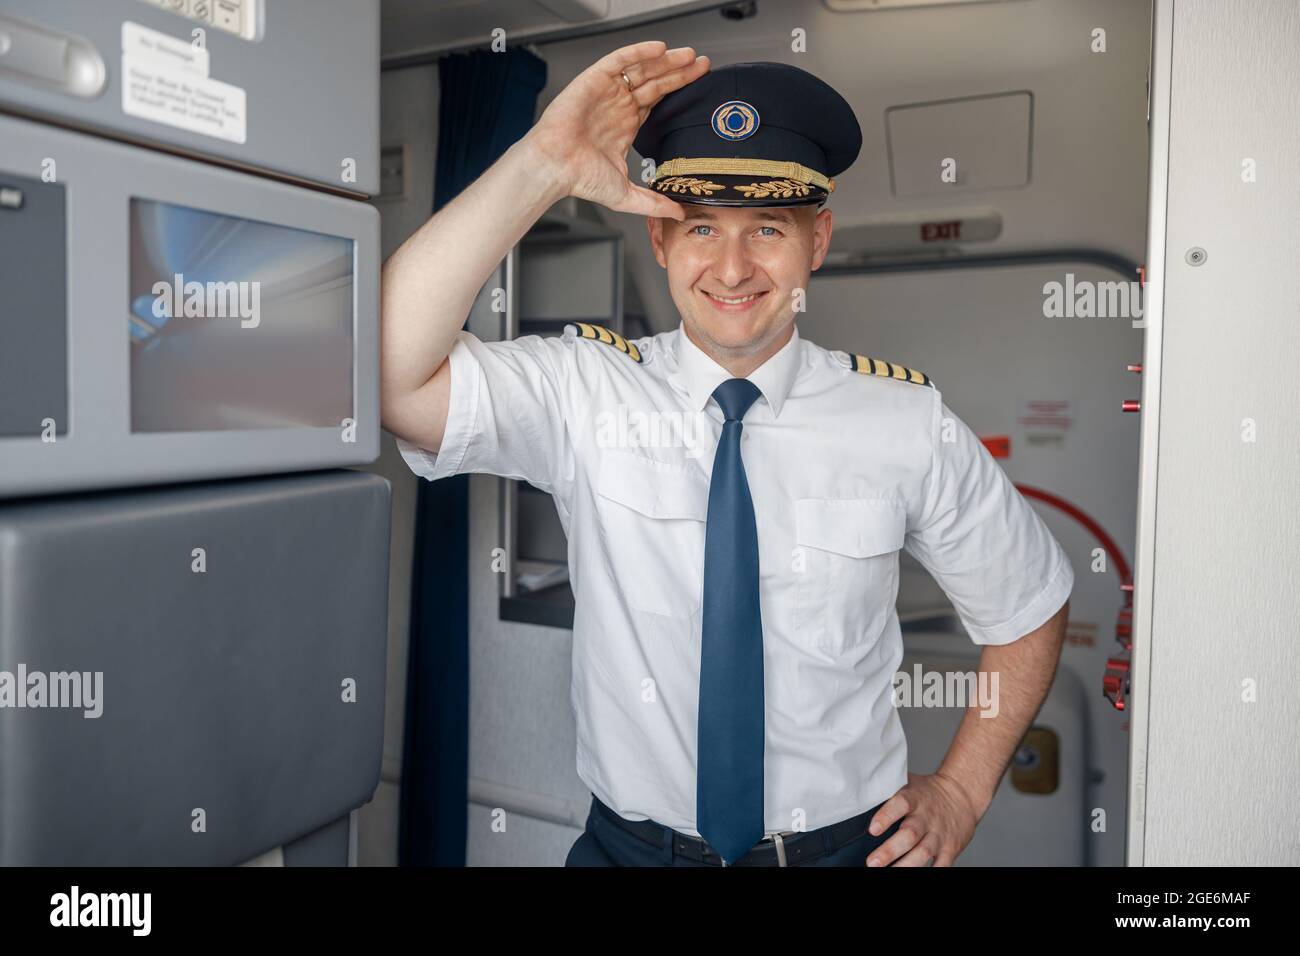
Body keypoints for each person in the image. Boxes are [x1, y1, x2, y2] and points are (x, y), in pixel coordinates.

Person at [381, 42, 1073, 867]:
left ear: (817, 240)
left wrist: (961, 792)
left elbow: (1028, 604)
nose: (733, 268)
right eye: (700, 226)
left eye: (768, 230)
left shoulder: (907, 421)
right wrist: (543, 165)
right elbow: (393, 376)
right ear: (660, 242)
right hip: (630, 852)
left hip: (842, 853)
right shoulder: (585, 390)